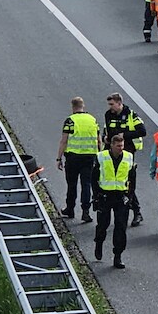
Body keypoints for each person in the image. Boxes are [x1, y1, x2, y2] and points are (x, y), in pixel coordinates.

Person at [103, 92, 147, 227]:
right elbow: (108, 133)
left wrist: (125, 135)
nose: (110, 107)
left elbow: (142, 131)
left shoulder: (130, 114)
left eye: (112, 104)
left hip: (127, 152)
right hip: (112, 153)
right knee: (113, 183)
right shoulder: (108, 115)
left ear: (119, 103)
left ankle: (136, 212)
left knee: (126, 183)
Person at [90, 134, 134, 269]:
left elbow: (132, 178)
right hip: (105, 195)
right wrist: (96, 195)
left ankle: (118, 256)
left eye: (122, 145)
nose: (120, 148)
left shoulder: (128, 157)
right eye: (118, 146)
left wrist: (130, 197)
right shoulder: (101, 156)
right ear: (111, 145)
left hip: (121, 196)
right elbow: (94, 178)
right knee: (103, 224)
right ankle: (99, 243)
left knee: (121, 227)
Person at [56, 96, 100, 224]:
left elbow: (64, 141)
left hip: (73, 157)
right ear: (83, 106)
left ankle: (70, 209)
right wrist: (99, 155)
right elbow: (99, 140)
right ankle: (85, 212)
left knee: (72, 184)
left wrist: (59, 158)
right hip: (89, 157)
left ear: (72, 107)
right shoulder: (92, 120)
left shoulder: (70, 121)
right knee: (86, 184)